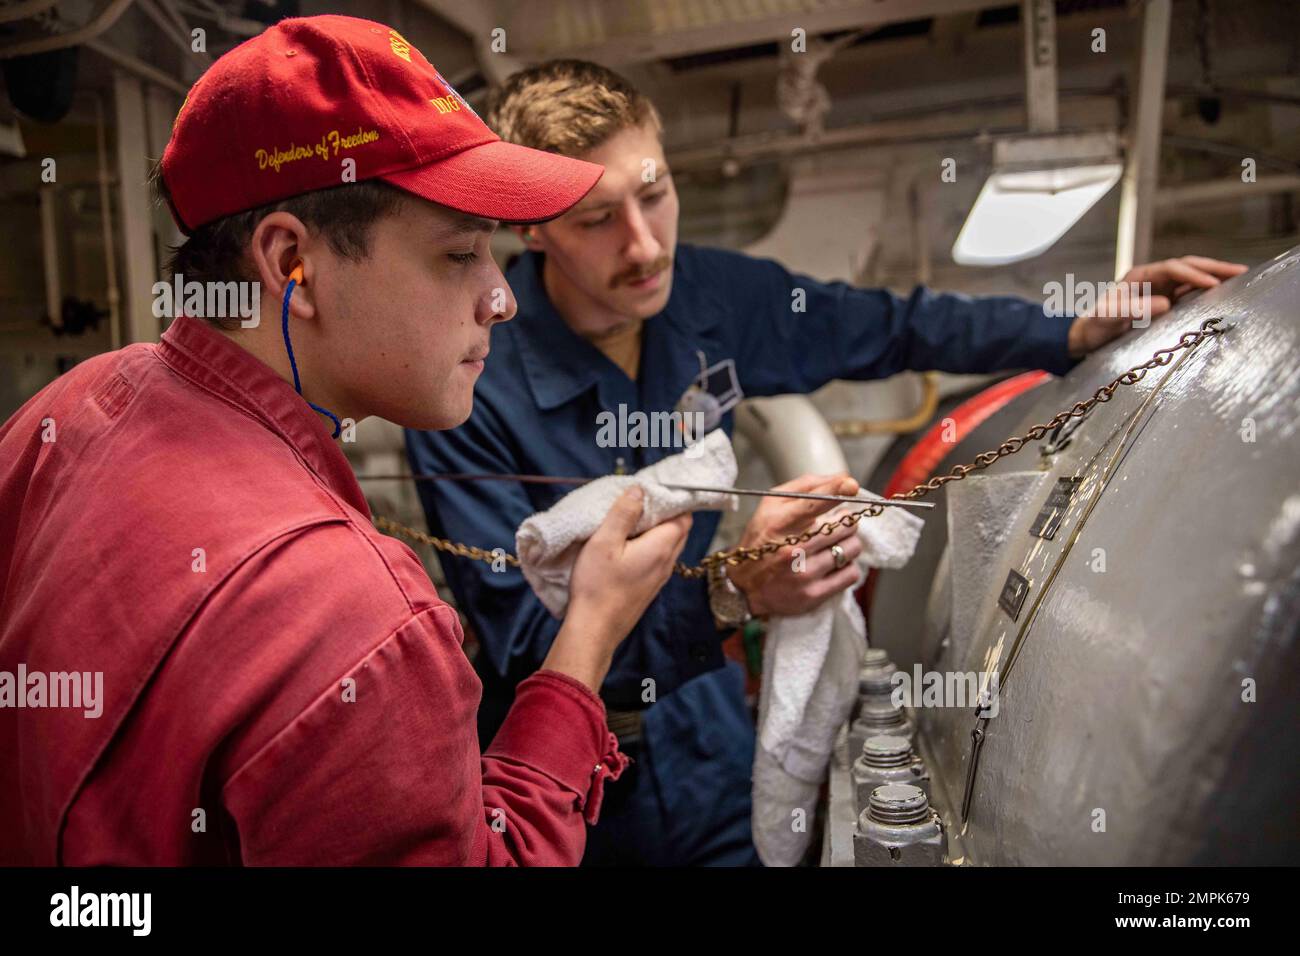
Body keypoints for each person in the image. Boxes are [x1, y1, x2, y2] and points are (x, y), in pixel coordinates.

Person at [404, 59, 1248, 866]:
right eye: (596, 220)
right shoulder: (470, 382)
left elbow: (889, 324)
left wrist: (1062, 332)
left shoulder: (709, 297)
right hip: (574, 791)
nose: (645, 245)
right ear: (532, 226)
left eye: (653, 195)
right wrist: (733, 595)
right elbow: (525, 649)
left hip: (712, 750)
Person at [0, 17, 693, 866]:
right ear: (292, 263)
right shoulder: (354, 614)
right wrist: (590, 627)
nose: (500, 299)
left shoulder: (70, 407)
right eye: (459, 254)